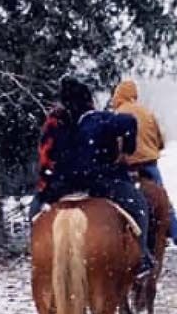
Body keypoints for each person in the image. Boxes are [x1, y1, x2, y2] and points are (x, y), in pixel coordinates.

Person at [31, 76, 154, 277]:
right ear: (89, 101)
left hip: (62, 186)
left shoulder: (55, 123)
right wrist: (129, 147)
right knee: (138, 204)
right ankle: (142, 257)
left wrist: (48, 186)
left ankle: (36, 252)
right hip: (101, 183)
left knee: (36, 211)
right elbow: (129, 121)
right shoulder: (98, 119)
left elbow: (46, 155)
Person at [111, 79, 177, 245]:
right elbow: (161, 141)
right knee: (163, 196)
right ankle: (174, 232)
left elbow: (114, 144)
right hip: (149, 166)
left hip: (127, 167)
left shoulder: (116, 115)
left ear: (118, 95)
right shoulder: (148, 113)